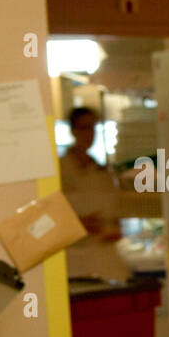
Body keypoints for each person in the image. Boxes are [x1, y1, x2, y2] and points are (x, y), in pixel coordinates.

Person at [59, 106, 133, 282]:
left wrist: (113, 226)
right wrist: (79, 224)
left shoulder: (102, 172)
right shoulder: (59, 171)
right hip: (72, 259)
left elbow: (115, 212)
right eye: (84, 128)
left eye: (93, 128)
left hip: (104, 257)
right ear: (73, 131)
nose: (89, 134)